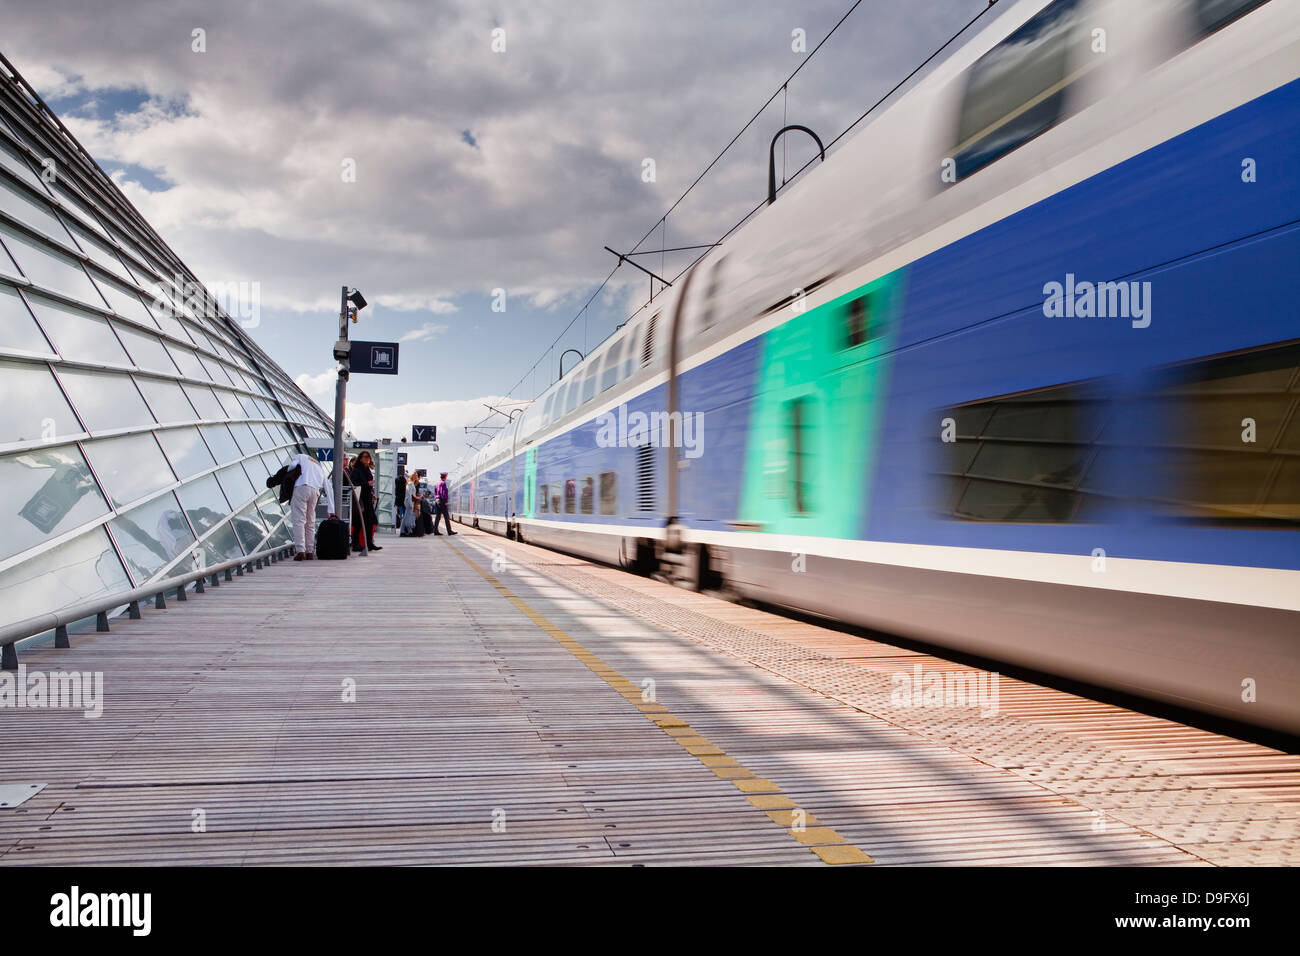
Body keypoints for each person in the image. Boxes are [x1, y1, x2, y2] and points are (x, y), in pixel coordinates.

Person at [283, 450, 334, 560]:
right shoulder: (318, 465)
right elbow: (327, 486)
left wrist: (288, 473)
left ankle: (300, 550)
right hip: (315, 491)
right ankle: (310, 551)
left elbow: (292, 466)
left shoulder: (300, 456)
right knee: (310, 522)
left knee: (299, 521)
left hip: (302, 487)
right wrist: (331, 508)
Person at [350, 450, 382, 552]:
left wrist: (371, 493)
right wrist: (367, 484)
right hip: (360, 500)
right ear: (360, 458)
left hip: (367, 499)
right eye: (364, 457)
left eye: (368, 457)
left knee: (369, 522)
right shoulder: (357, 470)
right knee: (359, 522)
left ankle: (369, 543)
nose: (367, 458)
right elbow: (354, 484)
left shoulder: (367, 470)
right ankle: (356, 544)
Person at [433, 471, 456, 535]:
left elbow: (435, 493)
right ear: (445, 477)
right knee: (446, 517)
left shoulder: (437, 483)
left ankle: (435, 530)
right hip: (442, 501)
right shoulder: (443, 483)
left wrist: (437, 499)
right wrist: (445, 501)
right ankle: (449, 531)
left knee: (438, 516)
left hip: (437, 501)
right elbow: (443, 493)